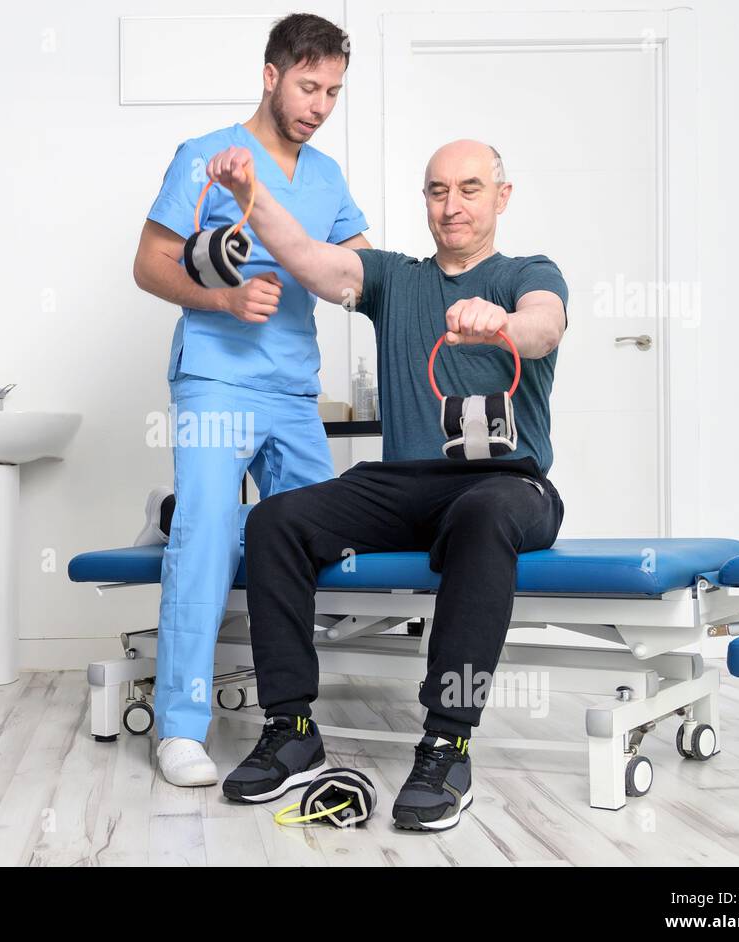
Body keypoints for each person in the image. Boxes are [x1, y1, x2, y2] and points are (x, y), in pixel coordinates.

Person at [209, 139, 568, 830]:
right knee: (273, 521)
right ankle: (291, 728)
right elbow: (315, 261)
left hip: (507, 483)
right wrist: (252, 196)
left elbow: (544, 326)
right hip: (405, 482)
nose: (452, 205)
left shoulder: (527, 271)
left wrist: (502, 325)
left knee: (484, 513)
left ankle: (447, 741)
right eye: (438, 191)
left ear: (502, 196)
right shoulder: (395, 279)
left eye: (469, 188)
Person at [131, 13, 370, 787]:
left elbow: (359, 274)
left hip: (294, 387)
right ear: (271, 76)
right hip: (217, 377)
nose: (319, 104)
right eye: (308, 86)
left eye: (332, 90)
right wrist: (222, 302)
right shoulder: (204, 157)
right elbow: (148, 264)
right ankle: (181, 728)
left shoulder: (328, 178)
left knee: (319, 541)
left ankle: (289, 718)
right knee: (206, 538)